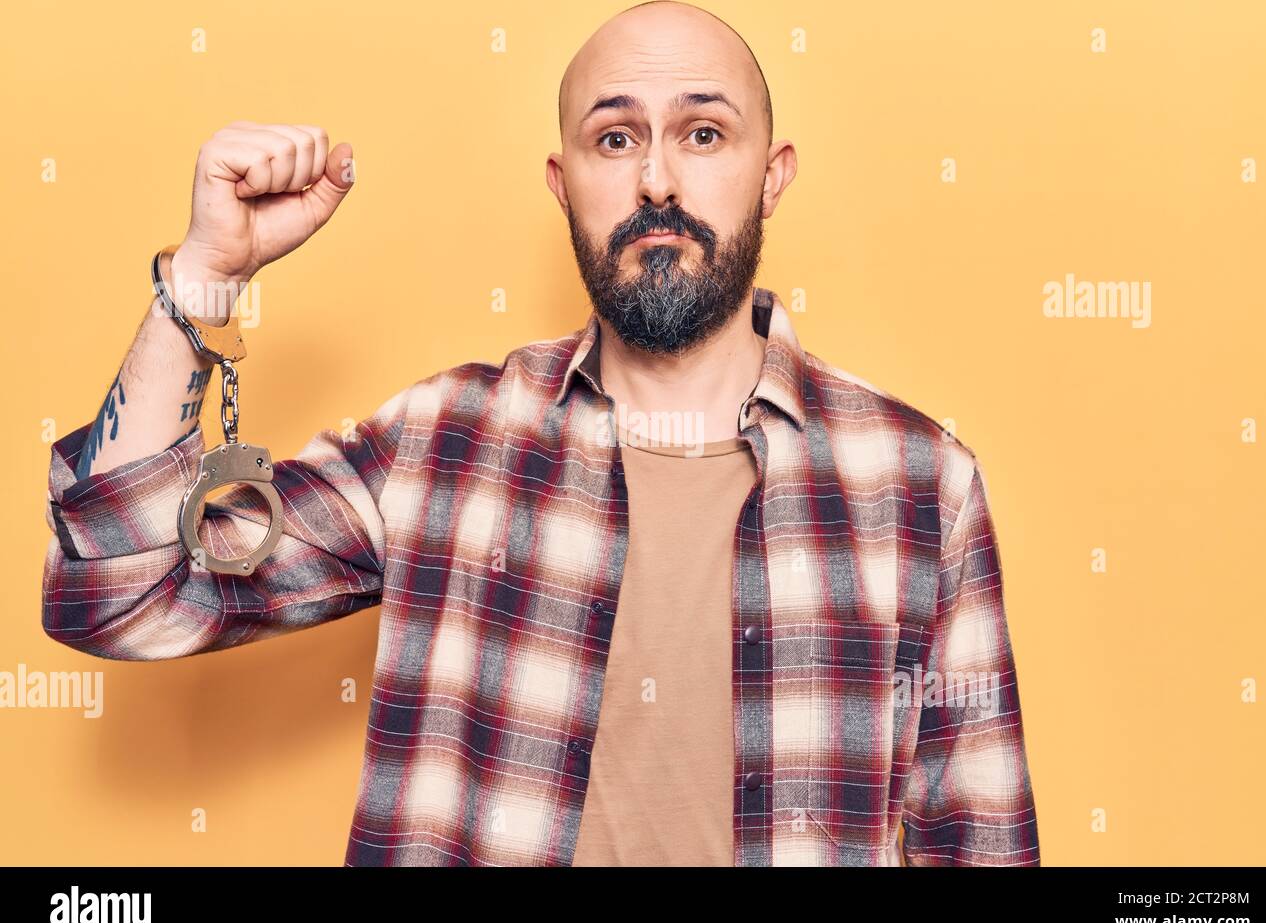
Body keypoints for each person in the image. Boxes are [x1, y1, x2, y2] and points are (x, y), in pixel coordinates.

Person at [41, 0, 1039, 866]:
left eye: (702, 134)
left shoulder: (917, 482)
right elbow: (120, 593)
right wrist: (207, 275)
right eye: (615, 138)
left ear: (771, 174)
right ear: (563, 183)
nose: (656, 181)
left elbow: (981, 838)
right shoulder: (442, 443)